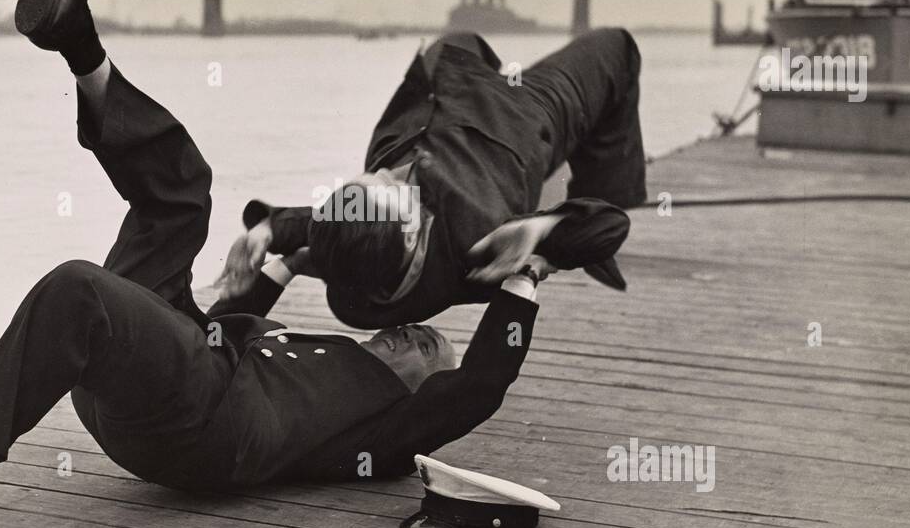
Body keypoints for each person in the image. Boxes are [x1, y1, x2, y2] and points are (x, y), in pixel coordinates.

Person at [0, 0, 562, 528]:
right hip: (176, 381)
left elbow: (480, 386)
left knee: (77, 288)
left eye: (429, 349)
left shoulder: (387, 433)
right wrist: (282, 261)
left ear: (423, 396)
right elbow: (222, 328)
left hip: (206, 427)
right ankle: (76, 39)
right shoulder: (334, 356)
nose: (418, 334)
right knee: (184, 195)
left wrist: (526, 276)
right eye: (419, 329)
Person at [213, 17, 646, 329]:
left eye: (366, 182)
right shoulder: (475, 239)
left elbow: (321, 224)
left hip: (439, 81)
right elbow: (609, 225)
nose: (395, 171)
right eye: (394, 186)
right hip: (515, 116)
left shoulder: (355, 260)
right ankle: (606, 182)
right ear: (411, 233)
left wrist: (267, 231)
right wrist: (545, 227)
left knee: (461, 38)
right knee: (619, 49)